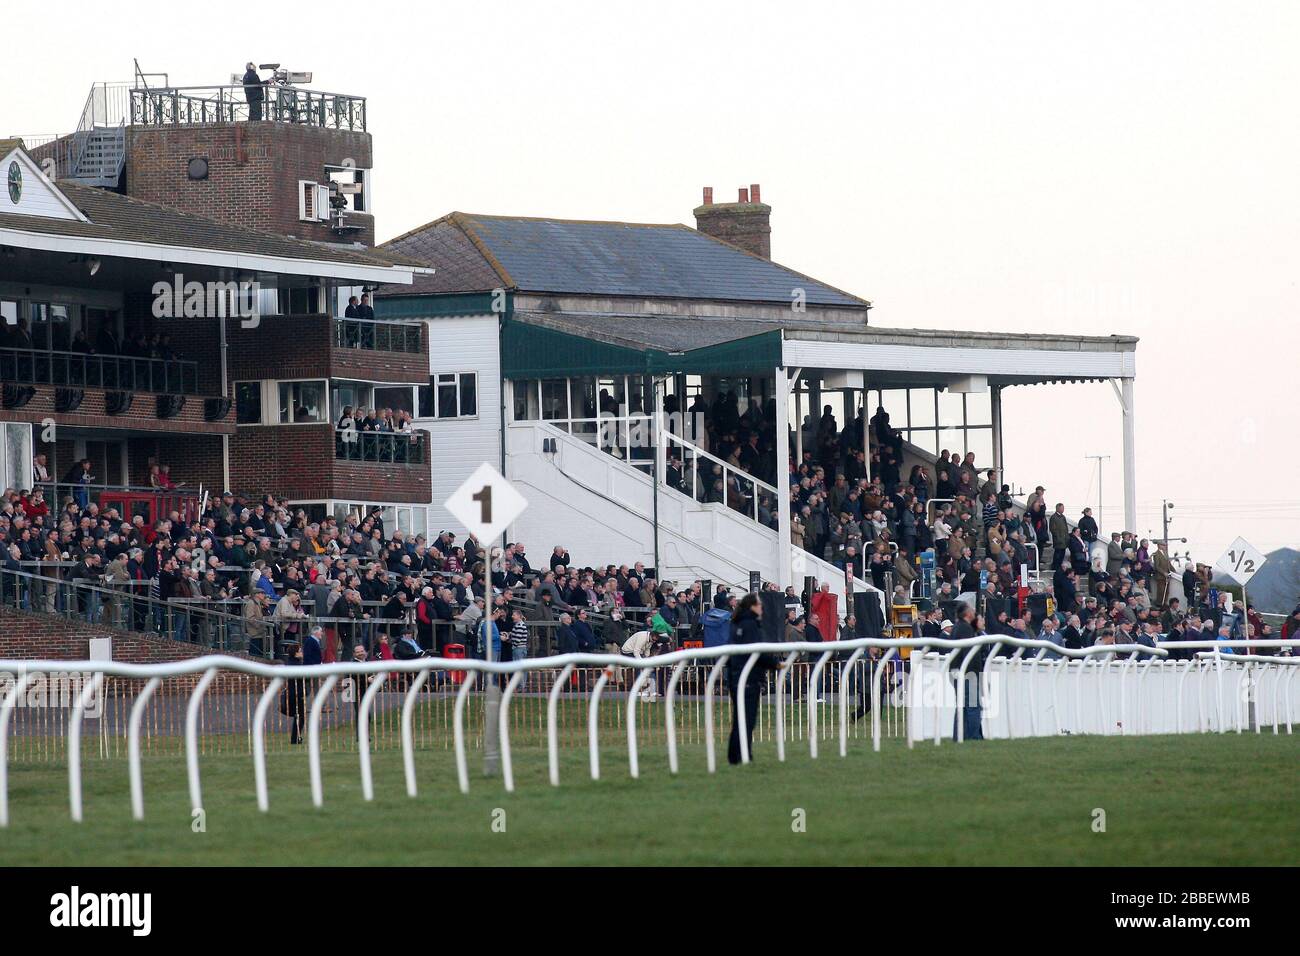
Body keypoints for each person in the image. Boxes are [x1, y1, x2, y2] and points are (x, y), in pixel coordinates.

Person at [726, 593, 772, 765]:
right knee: (747, 720)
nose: (762, 608)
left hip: (736, 676)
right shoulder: (750, 624)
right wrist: (776, 664)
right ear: (752, 606)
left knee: (740, 719)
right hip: (748, 678)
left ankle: (736, 755)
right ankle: (742, 756)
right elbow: (756, 652)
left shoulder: (736, 622)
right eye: (760, 605)